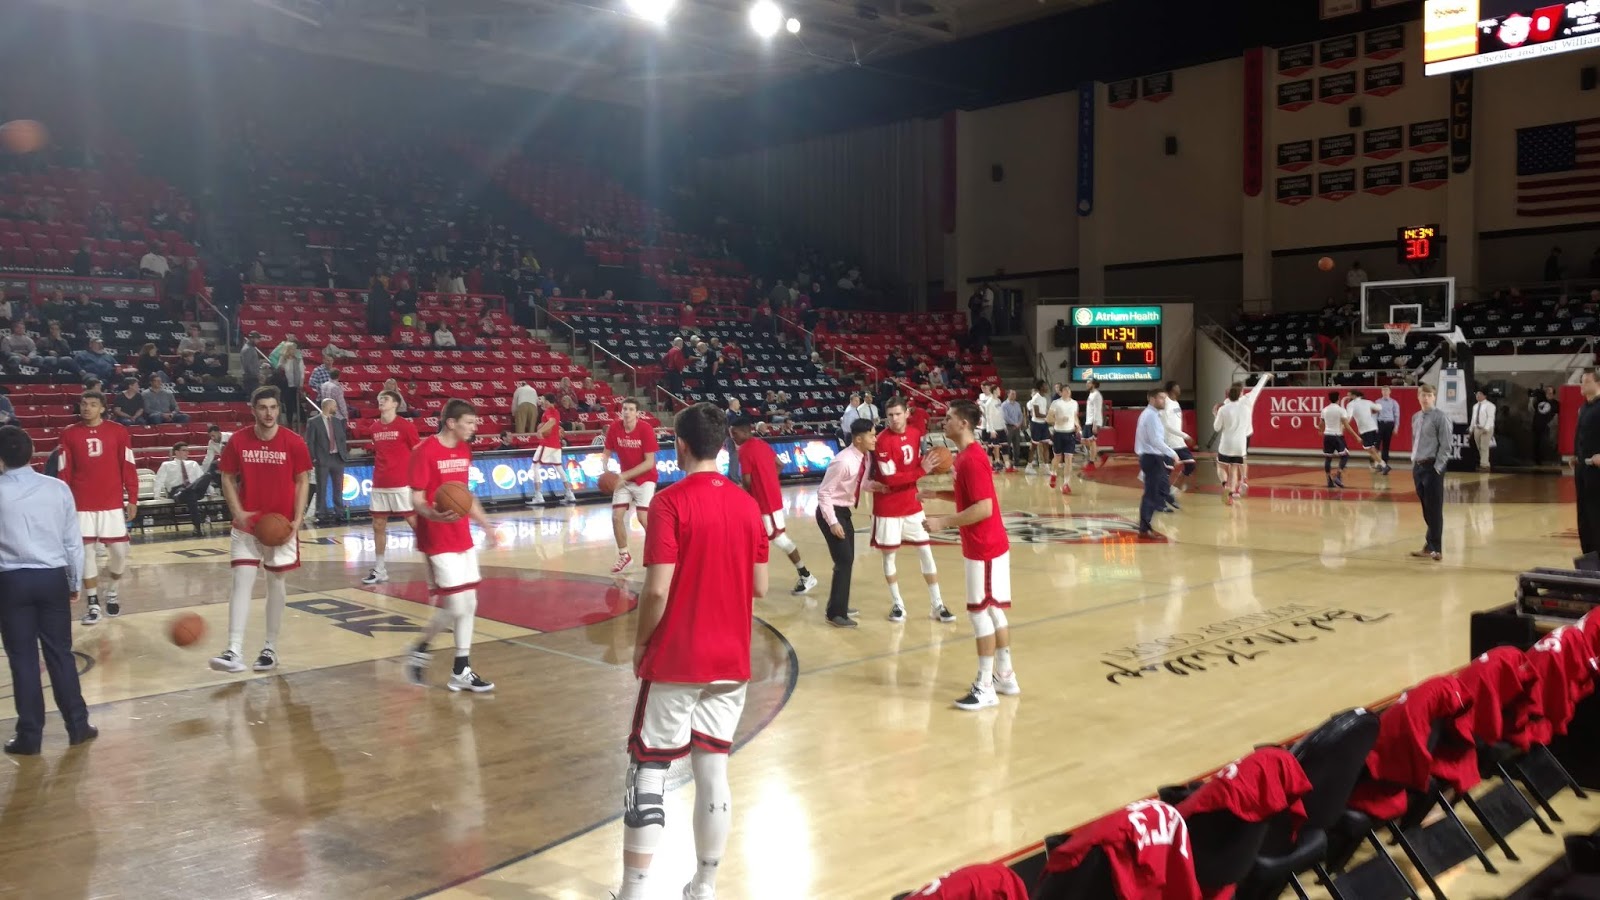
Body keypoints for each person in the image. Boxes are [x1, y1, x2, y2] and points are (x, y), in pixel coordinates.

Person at [615, 403, 768, 900]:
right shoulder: (747, 505)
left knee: (649, 770)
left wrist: (641, 642)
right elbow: (761, 586)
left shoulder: (668, 502)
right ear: (722, 444)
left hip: (679, 657)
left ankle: (634, 892)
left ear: (679, 445)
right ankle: (704, 885)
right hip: (732, 660)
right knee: (713, 770)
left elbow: (657, 590)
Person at [0, 426, 96, 755]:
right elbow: (73, 542)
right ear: (32, 452)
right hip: (52, 578)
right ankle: (78, 725)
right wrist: (74, 581)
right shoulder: (57, 488)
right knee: (60, 654)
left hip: (11, 581)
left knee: (23, 660)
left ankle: (29, 736)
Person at [921, 400, 1019, 711]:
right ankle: (1005, 676)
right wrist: (938, 494)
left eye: (949, 417)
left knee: (980, 613)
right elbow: (970, 496)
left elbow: (984, 508)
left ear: (963, 424)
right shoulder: (965, 457)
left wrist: (943, 522)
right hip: (989, 544)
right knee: (993, 611)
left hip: (984, 546)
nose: (944, 421)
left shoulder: (972, 460)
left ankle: (985, 686)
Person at [209, 386, 313, 674]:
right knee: (241, 582)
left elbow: (303, 480)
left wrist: (298, 518)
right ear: (253, 409)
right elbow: (227, 477)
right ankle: (234, 650)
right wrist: (237, 512)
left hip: (281, 527)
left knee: (276, 583)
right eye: (263, 407)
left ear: (279, 409)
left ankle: (270, 647)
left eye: (273, 407)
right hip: (247, 526)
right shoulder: (238, 440)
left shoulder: (294, 442)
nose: (269, 413)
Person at [403, 399, 497, 692]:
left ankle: (461, 669)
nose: (474, 427)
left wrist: (486, 525)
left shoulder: (464, 449)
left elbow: (464, 494)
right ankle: (420, 647)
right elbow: (416, 498)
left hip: (461, 534)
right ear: (451, 423)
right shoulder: (424, 451)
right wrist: (432, 514)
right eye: (469, 422)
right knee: (456, 603)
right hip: (435, 537)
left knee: (469, 602)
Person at [866, 396, 954, 624]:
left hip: (912, 504)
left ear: (906, 413)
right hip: (887, 507)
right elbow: (889, 478)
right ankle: (898, 604)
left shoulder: (915, 433)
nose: (894, 419)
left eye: (898, 414)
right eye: (890, 415)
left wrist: (934, 464)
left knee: (926, 552)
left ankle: (937, 605)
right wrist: (922, 470)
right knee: (889, 556)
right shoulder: (882, 441)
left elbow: (914, 465)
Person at [56, 390, 137, 624]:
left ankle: (112, 591)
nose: (87, 408)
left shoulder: (118, 431)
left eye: (93, 404)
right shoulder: (69, 433)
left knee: (120, 553)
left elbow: (128, 466)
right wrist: (64, 502)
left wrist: (132, 498)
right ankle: (92, 602)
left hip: (112, 503)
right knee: (86, 554)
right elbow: (64, 470)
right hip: (81, 505)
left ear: (102, 408)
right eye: (84, 403)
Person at [733, 415, 818, 595]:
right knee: (750, 538)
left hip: (765, 504)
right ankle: (745, 578)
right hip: (772, 499)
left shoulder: (744, 450)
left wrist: (735, 492)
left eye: (734, 433)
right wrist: (769, 480)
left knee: (779, 539)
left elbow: (747, 482)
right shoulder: (762, 444)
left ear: (744, 432)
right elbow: (780, 464)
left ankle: (806, 574)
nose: (733, 437)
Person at [815, 419, 875, 627]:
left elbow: (861, 484)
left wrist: (878, 487)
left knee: (847, 560)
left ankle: (839, 605)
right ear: (858, 439)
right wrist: (832, 522)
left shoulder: (864, 457)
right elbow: (824, 493)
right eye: (871, 435)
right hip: (831, 512)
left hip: (844, 511)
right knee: (844, 560)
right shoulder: (842, 461)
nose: (874, 439)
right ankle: (835, 613)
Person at [361, 390, 420, 585]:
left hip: (401, 483)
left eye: (385, 399)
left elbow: (417, 452)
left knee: (415, 524)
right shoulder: (374, 427)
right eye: (379, 399)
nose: (381, 401)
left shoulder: (406, 426)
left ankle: (436, 560)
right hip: (380, 482)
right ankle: (380, 569)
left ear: (395, 404)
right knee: (378, 525)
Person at [604, 398, 660, 575]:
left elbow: (649, 463)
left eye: (631, 409)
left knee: (644, 519)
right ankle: (624, 555)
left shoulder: (645, 429)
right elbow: (606, 452)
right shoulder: (614, 427)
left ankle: (660, 553)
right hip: (625, 480)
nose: (627, 412)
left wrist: (622, 476)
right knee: (616, 517)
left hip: (645, 479)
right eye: (624, 409)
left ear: (637, 413)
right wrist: (605, 470)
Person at [1212, 373, 1272, 504]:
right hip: (1241, 441)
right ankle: (1236, 488)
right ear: (1241, 393)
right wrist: (1265, 376)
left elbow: (1217, 428)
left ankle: (1226, 486)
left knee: (1221, 466)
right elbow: (1257, 388)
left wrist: (1216, 415)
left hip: (1226, 443)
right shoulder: (1247, 404)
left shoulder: (1224, 407)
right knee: (1235, 466)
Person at [1411, 383, 1453, 561]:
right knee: (1426, 509)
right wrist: (1414, 460)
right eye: (1423, 395)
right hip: (1418, 466)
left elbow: (1446, 445)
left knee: (1434, 508)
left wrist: (1437, 467)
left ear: (1434, 397)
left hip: (1432, 466)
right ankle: (1430, 545)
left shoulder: (1441, 417)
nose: (1426, 398)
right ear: (1418, 397)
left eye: (1429, 395)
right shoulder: (1416, 417)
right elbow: (1416, 440)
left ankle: (1436, 548)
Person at [1135, 388, 1177, 537]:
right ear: (1152, 399)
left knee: (1156, 490)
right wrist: (1172, 453)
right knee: (1151, 494)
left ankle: (1145, 525)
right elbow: (1156, 441)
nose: (1164, 401)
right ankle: (1144, 528)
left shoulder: (1149, 414)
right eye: (1161, 398)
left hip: (1150, 457)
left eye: (1165, 398)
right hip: (1152, 457)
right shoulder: (1151, 416)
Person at [306, 398, 351, 526]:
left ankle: (339, 513)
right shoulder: (313, 422)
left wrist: (344, 454)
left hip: (337, 458)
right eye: (334, 406)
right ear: (328, 406)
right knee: (321, 487)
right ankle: (321, 514)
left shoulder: (337, 421)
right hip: (322, 459)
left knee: (338, 487)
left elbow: (342, 439)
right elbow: (310, 442)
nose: (336, 408)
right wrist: (314, 458)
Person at [530, 395, 576, 506]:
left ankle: (538, 496)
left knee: (535, 467)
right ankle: (570, 494)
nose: (542, 402)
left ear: (548, 402)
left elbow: (552, 422)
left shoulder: (549, 411)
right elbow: (554, 422)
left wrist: (541, 430)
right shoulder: (556, 411)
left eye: (544, 400)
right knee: (559, 469)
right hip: (556, 445)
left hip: (547, 444)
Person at [1575, 371, 1600, 555]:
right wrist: (1576, 455)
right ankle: (1589, 557)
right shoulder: (1584, 408)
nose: (1582, 385)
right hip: (1583, 468)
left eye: (1586, 381)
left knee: (1596, 514)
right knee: (1584, 515)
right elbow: (1581, 435)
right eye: (1581, 382)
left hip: (1597, 469)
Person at [1162, 382, 1194, 498]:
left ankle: (1175, 487)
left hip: (1179, 442)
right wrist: (1185, 436)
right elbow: (1167, 426)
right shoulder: (1166, 403)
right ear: (1171, 389)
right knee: (1167, 470)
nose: (1179, 388)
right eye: (1177, 386)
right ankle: (1161, 493)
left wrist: (1182, 437)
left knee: (1190, 465)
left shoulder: (1176, 403)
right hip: (1169, 442)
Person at [1048, 384, 1080, 494]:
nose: (1067, 392)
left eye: (1068, 390)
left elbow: (1074, 416)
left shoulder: (1074, 403)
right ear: (1061, 392)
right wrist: (1059, 420)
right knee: (1057, 457)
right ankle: (1053, 473)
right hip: (1058, 433)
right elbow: (1049, 418)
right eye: (1065, 390)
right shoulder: (1056, 403)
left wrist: (1078, 425)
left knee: (1069, 459)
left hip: (1070, 433)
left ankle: (1066, 484)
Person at [1345, 389, 1387, 474]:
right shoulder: (1367, 402)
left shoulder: (1351, 404)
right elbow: (1379, 407)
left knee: (1369, 449)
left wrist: (1343, 425)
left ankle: (1384, 465)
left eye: (1349, 395)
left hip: (1364, 429)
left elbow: (1349, 417)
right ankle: (1379, 464)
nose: (1348, 397)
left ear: (1354, 395)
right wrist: (1373, 409)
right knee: (1372, 448)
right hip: (1373, 427)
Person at [1319, 391, 1351, 489]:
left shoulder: (1325, 410)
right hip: (1337, 435)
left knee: (1328, 458)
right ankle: (1338, 475)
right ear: (1338, 399)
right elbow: (1346, 425)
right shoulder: (1341, 410)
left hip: (1327, 435)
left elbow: (1321, 424)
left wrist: (1321, 431)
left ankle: (1329, 480)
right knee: (1345, 456)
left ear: (1329, 399)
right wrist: (1356, 436)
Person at [1026, 381, 1052, 474]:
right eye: (1045, 386)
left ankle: (1046, 467)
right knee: (1034, 446)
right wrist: (1048, 416)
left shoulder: (1044, 398)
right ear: (1041, 387)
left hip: (1044, 424)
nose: (1047, 387)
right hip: (1036, 424)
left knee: (1046, 445)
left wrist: (1049, 416)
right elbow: (1037, 414)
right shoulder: (1035, 398)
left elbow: (1044, 412)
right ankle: (1029, 466)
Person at [1532, 385, 1560, 465]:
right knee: (1536, 444)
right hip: (1537, 426)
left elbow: (1558, 415)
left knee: (1546, 444)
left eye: (1550, 393)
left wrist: (1552, 424)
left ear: (1553, 394)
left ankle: (1548, 460)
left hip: (1548, 428)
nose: (1549, 394)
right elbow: (1532, 407)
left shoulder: (1556, 404)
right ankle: (1537, 461)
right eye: (1547, 392)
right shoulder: (1539, 402)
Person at [1375, 385, 1401, 470]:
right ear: (1381, 392)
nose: (1385, 392)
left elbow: (1396, 415)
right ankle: (1377, 463)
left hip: (1389, 424)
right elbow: (1375, 415)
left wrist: (1396, 427)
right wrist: (1375, 426)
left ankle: (1384, 464)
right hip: (1380, 423)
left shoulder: (1394, 402)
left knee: (1386, 444)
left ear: (1390, 392)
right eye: (1383, 390)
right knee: (1376, 444)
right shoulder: (1377, 402)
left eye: (1386, 390)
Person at [1470, 388, 1496, 471]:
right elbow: (1473, 418)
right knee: (1479, 447)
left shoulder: (1490, 405)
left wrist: (1486, 428)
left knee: (1484, 446)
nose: (1477, 396)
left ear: (1485, 396)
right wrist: (1471, 429)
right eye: (1477, 394)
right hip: (1477, 428)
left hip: (1486, 428)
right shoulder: (1475, 406)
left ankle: (1484, 465)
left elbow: (1490, 417)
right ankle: (1485, 463)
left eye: (1480, 394)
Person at [1082, 378, 1104, 474]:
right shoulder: (1091, 394)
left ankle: (1091, 463)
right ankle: (1100, 454)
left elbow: (1097, 410)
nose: (1086, 384)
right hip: (1088, 421)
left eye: (1089, 383)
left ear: (1094, 384)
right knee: (1084, 440)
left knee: (1092, 441)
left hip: (1093, 422)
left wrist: (1095, 424)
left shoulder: (1096, 395)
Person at [1000, 389, 1023, 474]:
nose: (1014, 395)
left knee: (1017, 446)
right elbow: (1005, 417)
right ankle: (1007, 464)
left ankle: (1016, 463)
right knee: (1007, 445)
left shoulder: (1017, 404)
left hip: (1017, 427)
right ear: (1008, 394)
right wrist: (1014, 423)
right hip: (1008, 427)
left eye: (1015, 394)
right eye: (1012, 394)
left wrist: (1019, 423)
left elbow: (1020, 415)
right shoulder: (1004, 405)